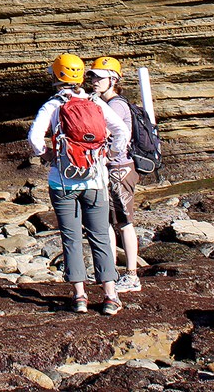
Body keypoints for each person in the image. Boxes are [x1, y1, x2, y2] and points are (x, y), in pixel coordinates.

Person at [28, 53, 130, 316]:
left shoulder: (53, 105)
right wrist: (110, 155)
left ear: (55, 76)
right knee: (100, 236)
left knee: (71, 238)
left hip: (62, 181)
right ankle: (110, 296)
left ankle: (80, 297)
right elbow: (121, 131)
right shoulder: (96, 102)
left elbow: (34, 138)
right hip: (95, 180)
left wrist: (47, 156)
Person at [89, 56, 142, 294]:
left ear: (113, 80)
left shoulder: (116, 106)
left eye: (99, 77)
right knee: (110, 222)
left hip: (120, 169)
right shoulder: (105, 103)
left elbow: (111, 135)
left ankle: (131, 275)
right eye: (93, 76)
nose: (94, 81)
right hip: (109, 168)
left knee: (124, 222)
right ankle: (110, 273)